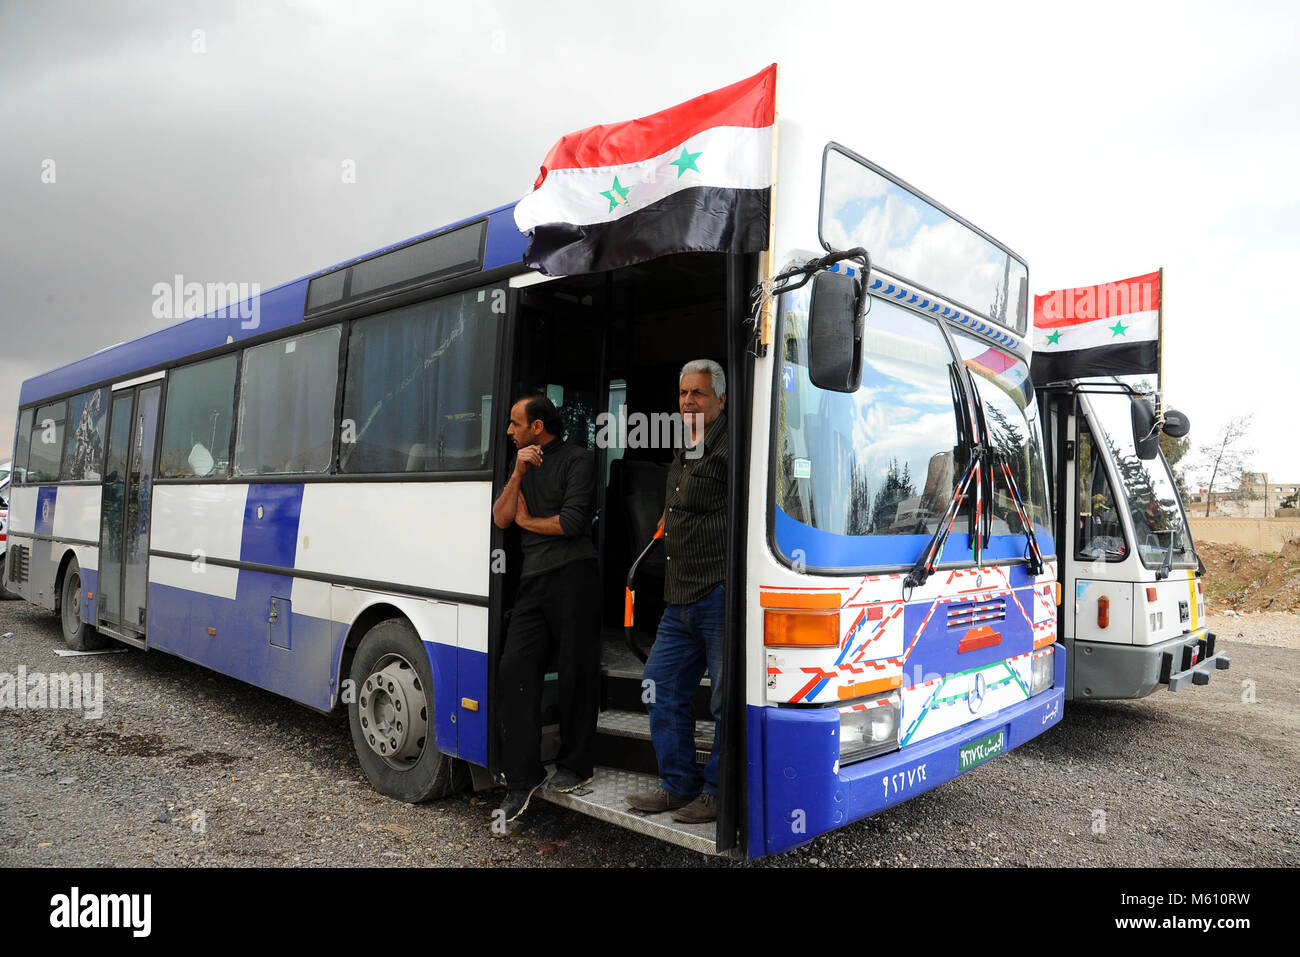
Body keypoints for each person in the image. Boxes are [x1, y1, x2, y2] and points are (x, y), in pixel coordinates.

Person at [626, 359, 728, 825]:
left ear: (720, 400)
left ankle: (717, 794)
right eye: (683, 394)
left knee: (726, 701)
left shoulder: (735, 447)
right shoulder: (687, 446)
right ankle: (677, 785)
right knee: (659, 687)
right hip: (678, 596)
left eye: (698, 394)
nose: (688, 402)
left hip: (719, 595)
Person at [493, 395, 600, 822]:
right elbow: (501, 518)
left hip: (576, 575)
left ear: (538, 427)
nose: (509, 431)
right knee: (514, 668)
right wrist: (517, 474)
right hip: (532, 581)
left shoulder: (579, 460)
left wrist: (529, 523)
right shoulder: (520, 465)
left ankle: (575, 766)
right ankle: (522, 778)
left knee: (576, 671)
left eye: (515, 423)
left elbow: (572, 523)